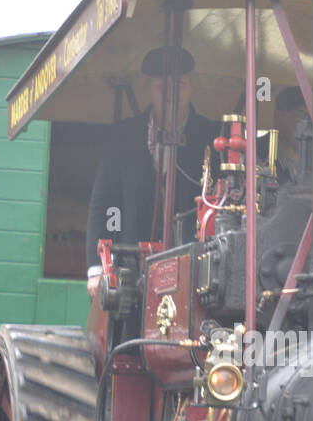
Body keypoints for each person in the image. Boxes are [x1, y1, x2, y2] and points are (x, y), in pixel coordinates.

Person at [86, 49, 220, 297]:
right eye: (163, 85)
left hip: (194, 274)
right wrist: (97, 268)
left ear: (190, 87)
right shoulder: (123, 135)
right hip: (131, 272)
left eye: (180, 84)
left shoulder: (212, 136)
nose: (172, 92)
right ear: (149, 87)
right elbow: (104, 204)